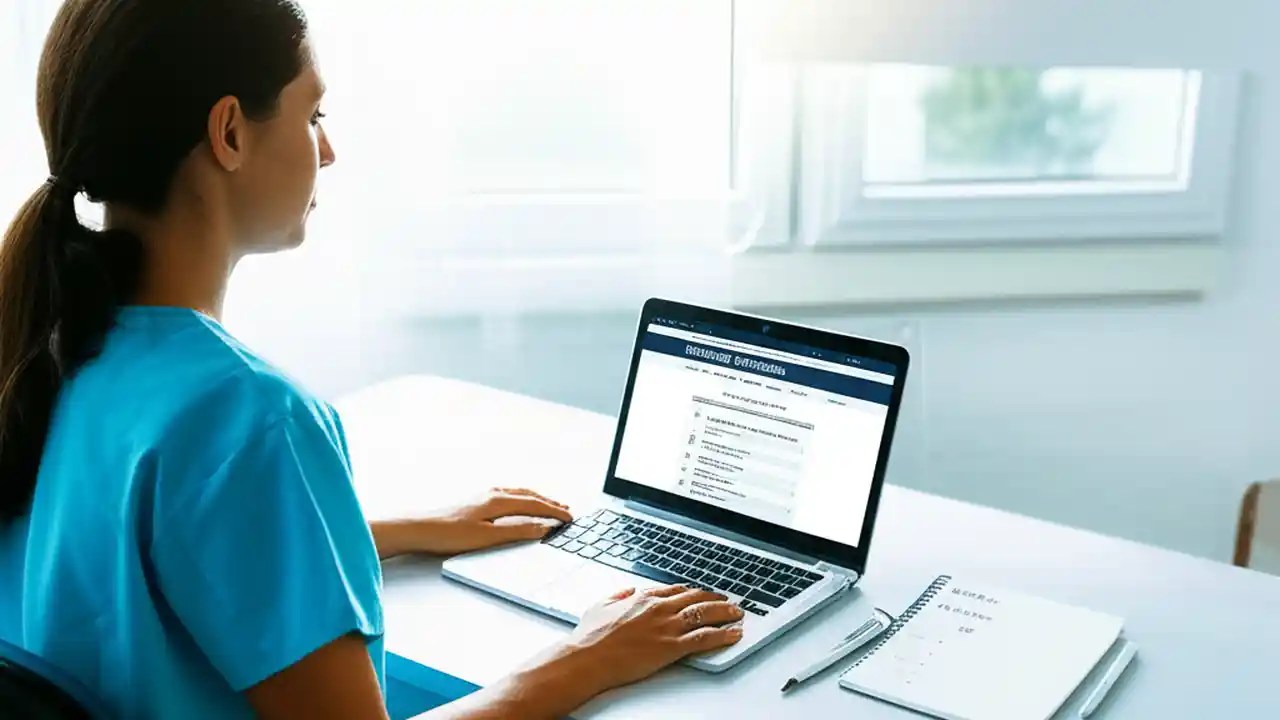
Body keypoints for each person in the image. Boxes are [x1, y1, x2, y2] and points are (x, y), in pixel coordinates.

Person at [0, 1, 743, 718]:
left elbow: (150, 553)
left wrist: (399, 527)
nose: (328, 150)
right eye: (313, 115)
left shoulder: (48, 352)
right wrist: (590, 656)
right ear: (229, 132)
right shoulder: (250, 419)